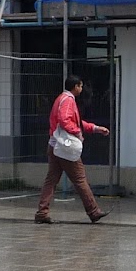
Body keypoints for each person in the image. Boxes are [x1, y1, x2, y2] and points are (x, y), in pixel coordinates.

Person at [34, 76, 110, 224]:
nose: (82, 89)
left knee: (51, 180)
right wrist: (77, 133)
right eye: (81, 86)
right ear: (75, 86)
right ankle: (93, 211)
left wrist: (94, 128)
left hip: (55, 145)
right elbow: (66, 120)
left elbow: (74, 121)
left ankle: (42, 213)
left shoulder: (61, 99)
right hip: (65, 147)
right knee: (80, 179)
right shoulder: (68, 100)